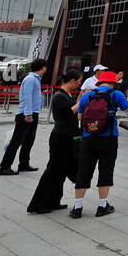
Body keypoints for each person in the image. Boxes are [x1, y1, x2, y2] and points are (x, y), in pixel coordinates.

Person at [70, 71, 128, 218]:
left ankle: (77, 207)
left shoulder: (87, 95)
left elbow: (80, 115)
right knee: (106, 169)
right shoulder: (116, 94)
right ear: (113, 83)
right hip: (108, 138)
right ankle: (102, 206)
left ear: (100, 82)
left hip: (88, 138)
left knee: (83, 171)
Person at [27, 70, 82, 214]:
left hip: (69, 137)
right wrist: (81, 101)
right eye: (79, 81)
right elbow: (67, 113)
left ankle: (53, 201)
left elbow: (74, 112)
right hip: (60, 138)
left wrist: (79, 100)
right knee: (52, 170)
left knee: (61, 172)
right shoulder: (59, 96)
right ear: (72, 81)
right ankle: (37, 204)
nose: (80, 84)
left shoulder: (68, 95)